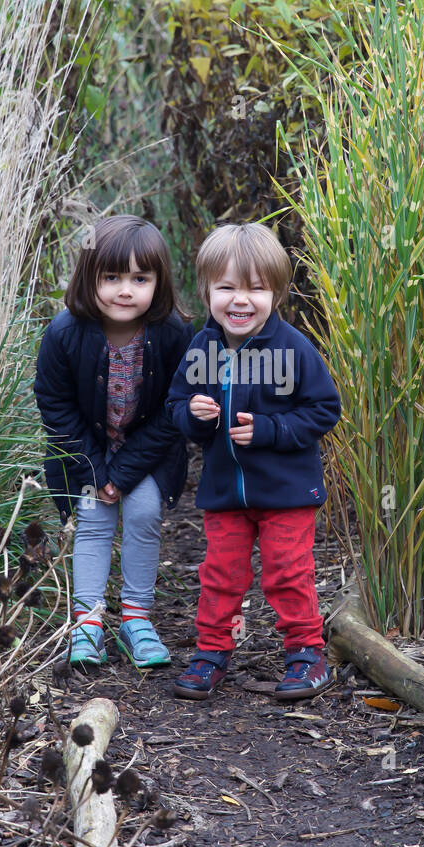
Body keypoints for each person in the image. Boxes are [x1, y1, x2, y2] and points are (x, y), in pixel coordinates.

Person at [166, 221, 342, 702]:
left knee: (287, 571)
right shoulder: (202, 348)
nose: (240, 300)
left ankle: (306, 654)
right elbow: (175, 405)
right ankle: (211, 653)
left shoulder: (293, 348)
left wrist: (269, 430)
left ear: (277, 294)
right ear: (206, 291)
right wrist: (194, 415)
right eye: (226, 288)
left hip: (287, 492)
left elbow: (324, 410)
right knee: (220, 574)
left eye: (256, 289)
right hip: (226, 493)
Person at [34, 214, 194, 668]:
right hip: (84, 451)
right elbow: (56, 407)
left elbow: (175, 407)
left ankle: (136, 619)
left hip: (148, 451)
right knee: (92, 515)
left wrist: (122, 474)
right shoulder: (64, 333)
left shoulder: (174, 333)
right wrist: (96, 471)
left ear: (159, 282)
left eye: (140, 279)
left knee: (143, 512)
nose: (126, 290)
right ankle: (87, 622)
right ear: (89, 277)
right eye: (111, 277)